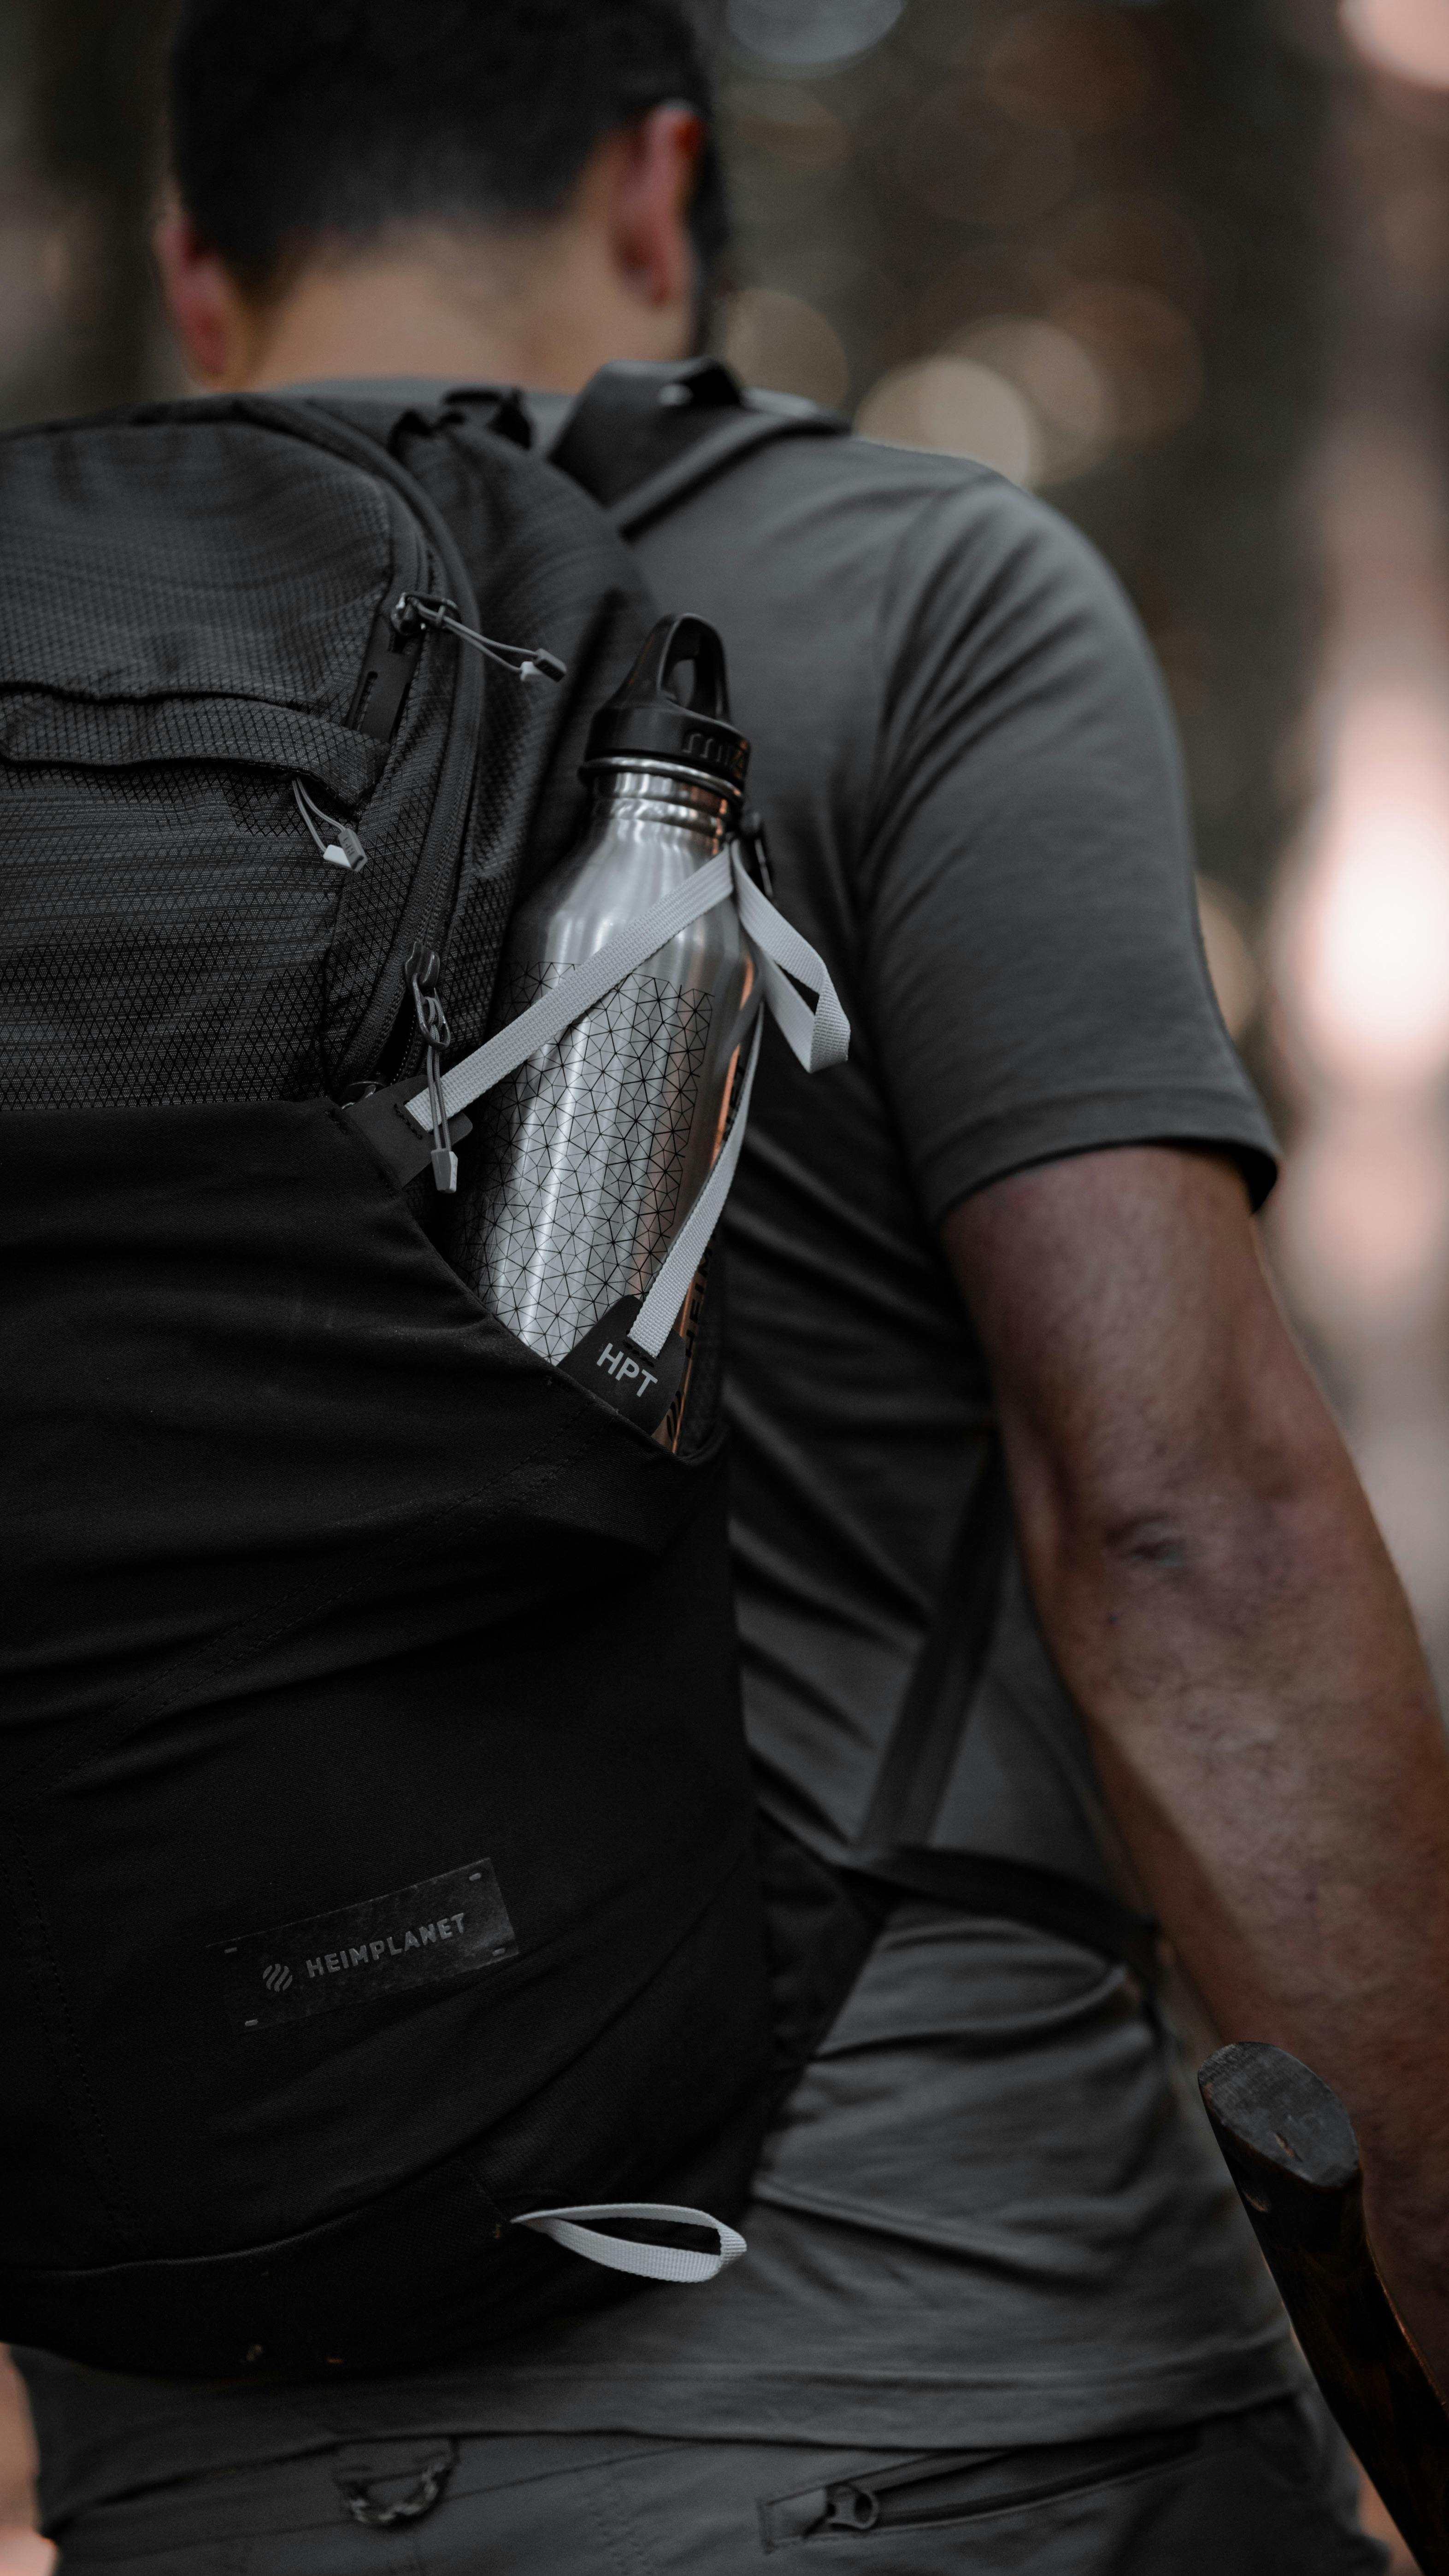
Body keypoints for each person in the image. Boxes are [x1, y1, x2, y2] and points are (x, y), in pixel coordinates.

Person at [13, 3, 1449, 2566]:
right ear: (663, 191)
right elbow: (1180, 1527)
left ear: (195, 278)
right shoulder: (908, 593)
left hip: (193, 2461)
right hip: (953, 2419)